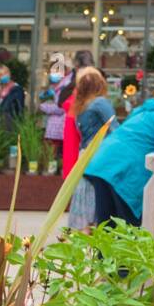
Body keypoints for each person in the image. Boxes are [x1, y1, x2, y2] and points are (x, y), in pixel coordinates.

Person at [84, 94, 154, 227]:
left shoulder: (141, 113)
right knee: (127, 228)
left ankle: (103, 248)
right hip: (124, 171)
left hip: (102, 163)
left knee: (106, 225)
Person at [66, 67, 113, 229]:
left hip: (85, 157)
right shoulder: (100, 103)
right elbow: (115, 129)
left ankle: (83, 233)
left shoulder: (80, 107)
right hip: (101, 158)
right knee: (97, 201)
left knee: (84, 199)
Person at [58, 50, 95, 178]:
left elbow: (62, 102)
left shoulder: (75, 81)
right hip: (77, 122)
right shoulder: (84, 81)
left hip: (75, 121)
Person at [39, 53, 69, 164]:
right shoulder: (52, 88)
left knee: (57, 152)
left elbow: (61, 108)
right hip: (52, 126)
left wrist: (43, 107)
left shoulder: (65, 88)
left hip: (60, 126)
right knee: (51, 153)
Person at [0, 63, 25, 129]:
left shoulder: (17, 89)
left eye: (6, 72)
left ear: (9, 73)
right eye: (1, 74)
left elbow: (17, 107)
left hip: (11, 122)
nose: (5, 75)